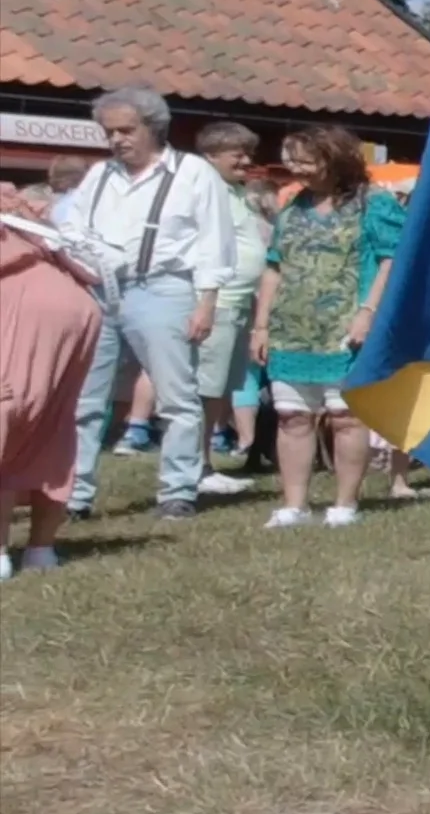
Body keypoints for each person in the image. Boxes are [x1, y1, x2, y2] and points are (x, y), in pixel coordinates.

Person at [55, 86, 244, 523]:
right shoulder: (100, 175)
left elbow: (215, 240)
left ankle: (177, 490)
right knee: (85, 398)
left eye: (126, 130)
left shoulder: (193, 173)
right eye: (109, 132)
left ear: (153, 127)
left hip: (164, 288)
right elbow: (71, 226)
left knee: (177, 397)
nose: (116, 139)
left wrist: (206, 301)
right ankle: (73, 494)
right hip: (99, 289)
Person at [252, 124, 406, 530]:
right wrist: (261, 326)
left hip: (346, 326)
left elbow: (392, 260)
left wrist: (368, 312)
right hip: (291, 328)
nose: (295, 169)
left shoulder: (374, 203)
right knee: (291, 416)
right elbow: (274, 266)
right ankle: (294, 505)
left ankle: (345, 503)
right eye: (290, 161)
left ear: (334, 158)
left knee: (346, 416)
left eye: (305, 161)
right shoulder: (293, 206)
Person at [0, 183, 108, 579]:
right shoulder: (19, 207)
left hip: (20, 304)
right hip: (72, 303)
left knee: (8, 423)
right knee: (51, 426)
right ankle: (41, 550)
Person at [186, 123, 271, 494]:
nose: (247, 161)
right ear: (210, 156)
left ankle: (203, 462)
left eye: (248, 153)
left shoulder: (236, 192)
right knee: (204, 391)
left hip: (237, 303)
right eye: (238, 154)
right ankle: (194, 468)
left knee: (220, 390)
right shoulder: (202, 191)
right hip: (214, 304)